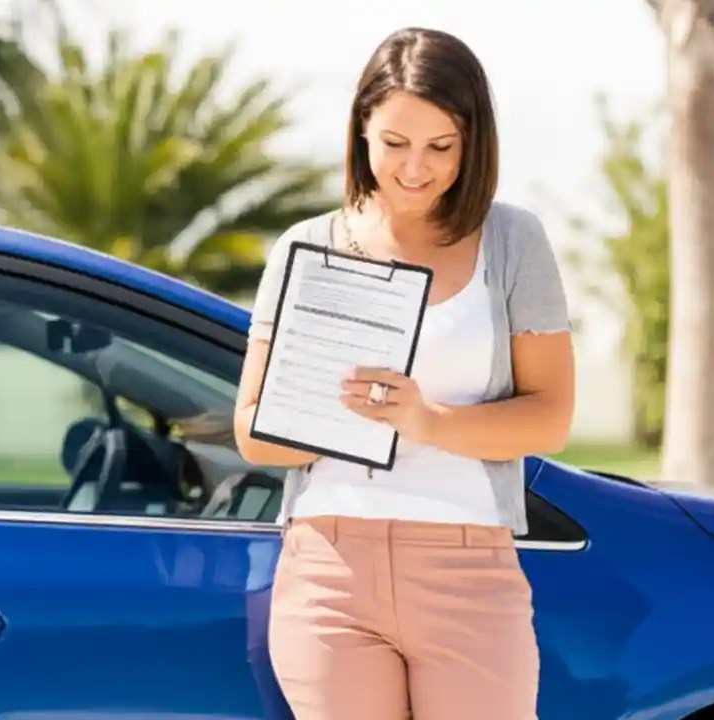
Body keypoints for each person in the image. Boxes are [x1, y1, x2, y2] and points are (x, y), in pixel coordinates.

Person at [233, 27, 576, 720]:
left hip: (468, 567)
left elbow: (550, 417)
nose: (415, 168)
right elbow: (252, 434)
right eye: (394, 144)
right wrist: (338, 418)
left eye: (440, 148)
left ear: (472, 142)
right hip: (330, 570)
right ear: (361, 130)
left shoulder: (512, 242)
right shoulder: (306, 247)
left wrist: (427, 421)